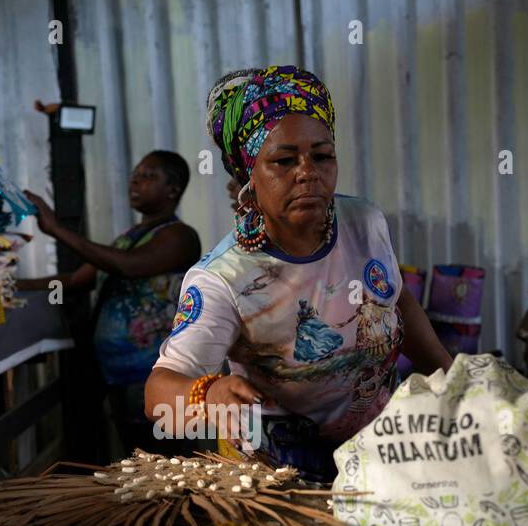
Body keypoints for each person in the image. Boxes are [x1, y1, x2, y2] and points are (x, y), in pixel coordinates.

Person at [145, 66, 453, 483]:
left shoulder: (363, 221)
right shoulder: (223, 279)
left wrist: (449, 375)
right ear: (248, 177)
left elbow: (395, 299)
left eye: (322, 156)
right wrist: (207, 394)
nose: (307, 172)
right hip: (281, 474)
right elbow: (159, 392)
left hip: (381, 449)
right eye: (284, 160)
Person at [21, 152, 201, 456]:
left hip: (152, 373)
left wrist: (56, 229)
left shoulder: (179, 236)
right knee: (138, 457)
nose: (135, 180)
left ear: (172, 189)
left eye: (148, 176)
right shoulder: (130, 237)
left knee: (166, 461)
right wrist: (12, 284)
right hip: (117, 373)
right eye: (135, 173)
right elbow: (79, 279)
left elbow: (126, 266)